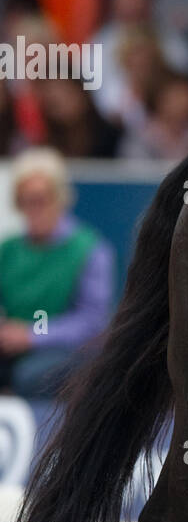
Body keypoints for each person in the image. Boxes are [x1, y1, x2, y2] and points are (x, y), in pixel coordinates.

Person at [0, 148, 114, 397]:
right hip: (14, 348)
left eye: (41, 199)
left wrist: (33, 335)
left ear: (60, 198)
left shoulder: (90, 250)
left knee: (29, 376)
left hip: (69, 352)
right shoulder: (8, 250)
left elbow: (92, 321)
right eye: (26, 201)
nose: (34, 209)